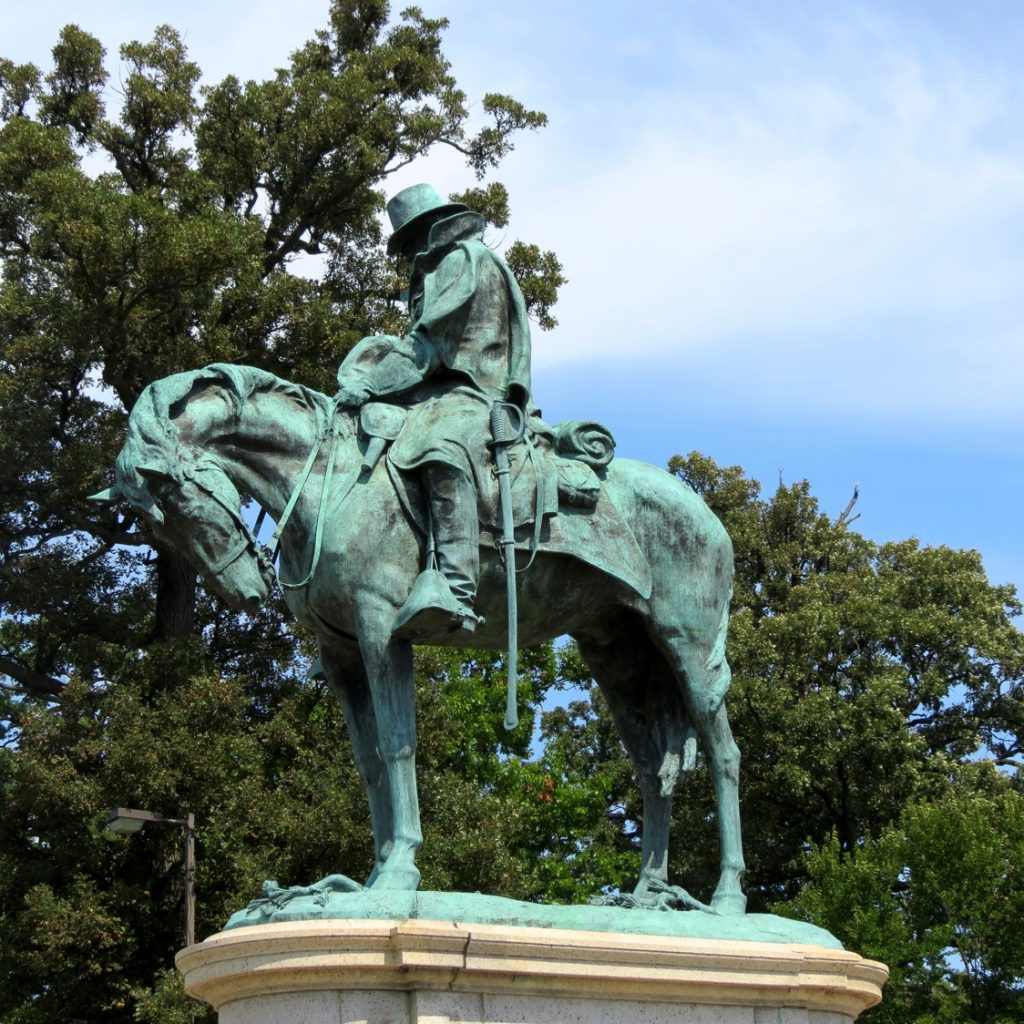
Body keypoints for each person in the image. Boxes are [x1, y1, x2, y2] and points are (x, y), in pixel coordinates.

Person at [335, 184, 533, 637]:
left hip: (474, 390)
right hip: (438, 388)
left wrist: (370, 384)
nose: (407, 252)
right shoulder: (440, 266)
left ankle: (456, 590)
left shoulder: (464, 259)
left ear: (430, 228)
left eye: (409, 239)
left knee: (438, 445)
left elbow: (428, 347)